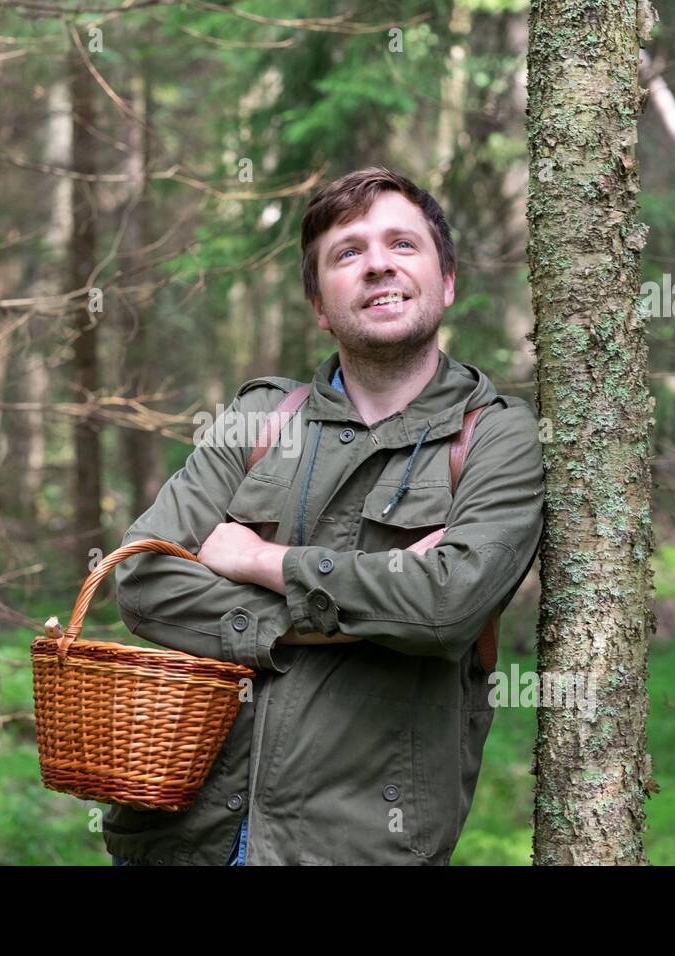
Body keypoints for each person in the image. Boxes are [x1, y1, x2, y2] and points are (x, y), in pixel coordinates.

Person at [105, 166, 544, 865]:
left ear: (447, 280)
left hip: (358, 848)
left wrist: (259, 563)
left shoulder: (495, 438)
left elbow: (445, 609)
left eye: (403, 245)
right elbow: (141, 577)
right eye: (348, 253)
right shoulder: (257, 419)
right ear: (318, 302)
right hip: (190, 838)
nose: (377, 265)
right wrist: (352, 613)